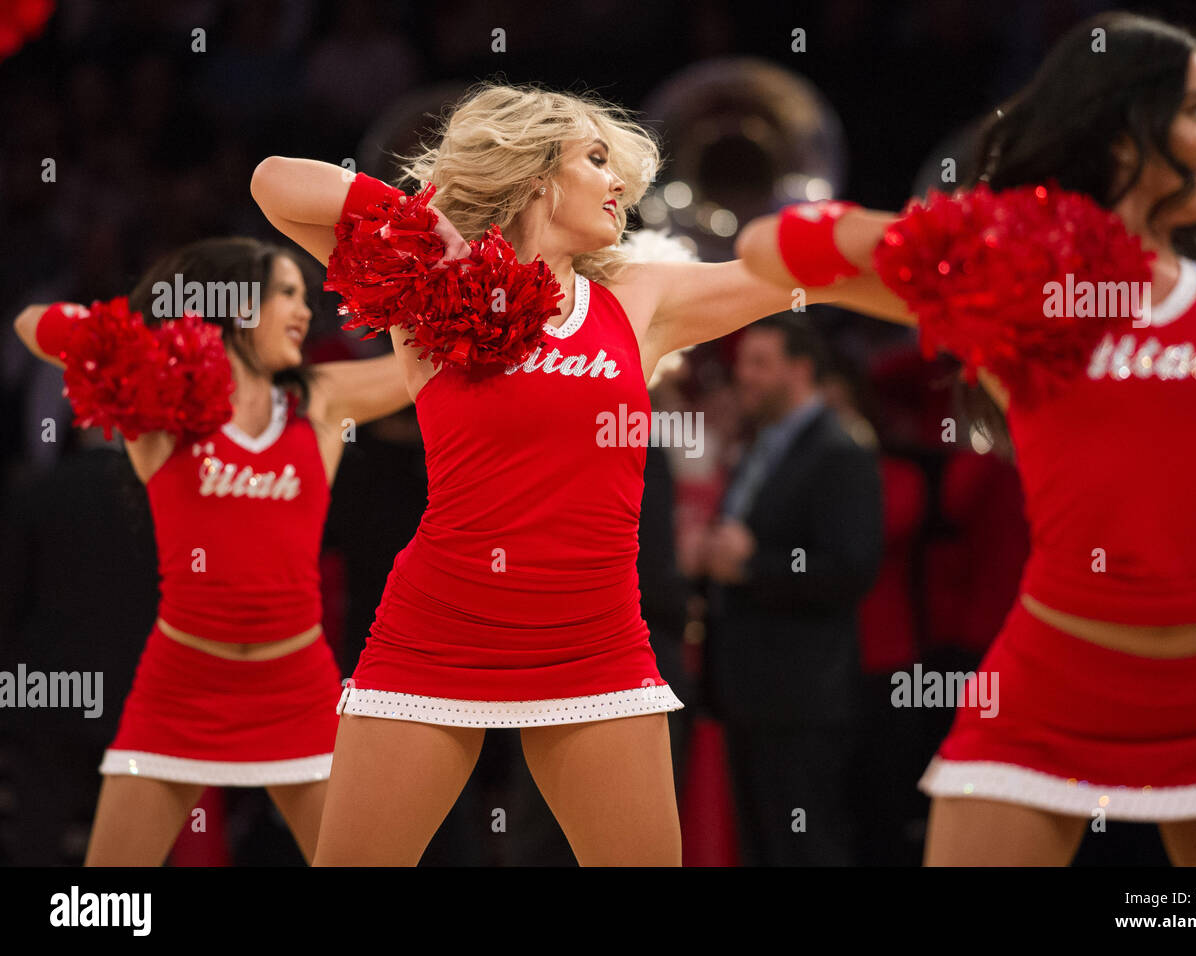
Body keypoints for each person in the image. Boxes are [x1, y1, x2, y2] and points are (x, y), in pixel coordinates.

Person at [735, 11, 1196, 865]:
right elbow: (770, 245)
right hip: (1056, 684)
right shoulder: (1013, 291)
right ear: (1119, 128)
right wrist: (978, 246)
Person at [250, 81, 854, 866]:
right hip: (438, 636)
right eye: (596, 160)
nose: (619, 184)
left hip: (596, 645)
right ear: (535, 174)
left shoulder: (638, 299)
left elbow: (791, 276)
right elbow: (275, 182)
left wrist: (918, 255)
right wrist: (429, 227)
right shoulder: (423, 286)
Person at [12, 237, 412, 865]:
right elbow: (32, 324)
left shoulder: (321, 399)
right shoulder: (164, 407)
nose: (305, 313)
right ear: (229, 304)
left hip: (296, 683)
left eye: (305, 297)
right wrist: (150, 355)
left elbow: (431, 367)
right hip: (181, 683)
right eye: (286, 293)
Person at [698, 314, 882, 865]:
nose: (743, 376)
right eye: (741, 363)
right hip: (749, 689)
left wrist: (753, 567)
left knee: (805, 845)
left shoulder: (839, 450)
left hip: (802, 695)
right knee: (763, 845)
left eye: (759, 363)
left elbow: (851, 570)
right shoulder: (765, 442)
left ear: (799, 370)